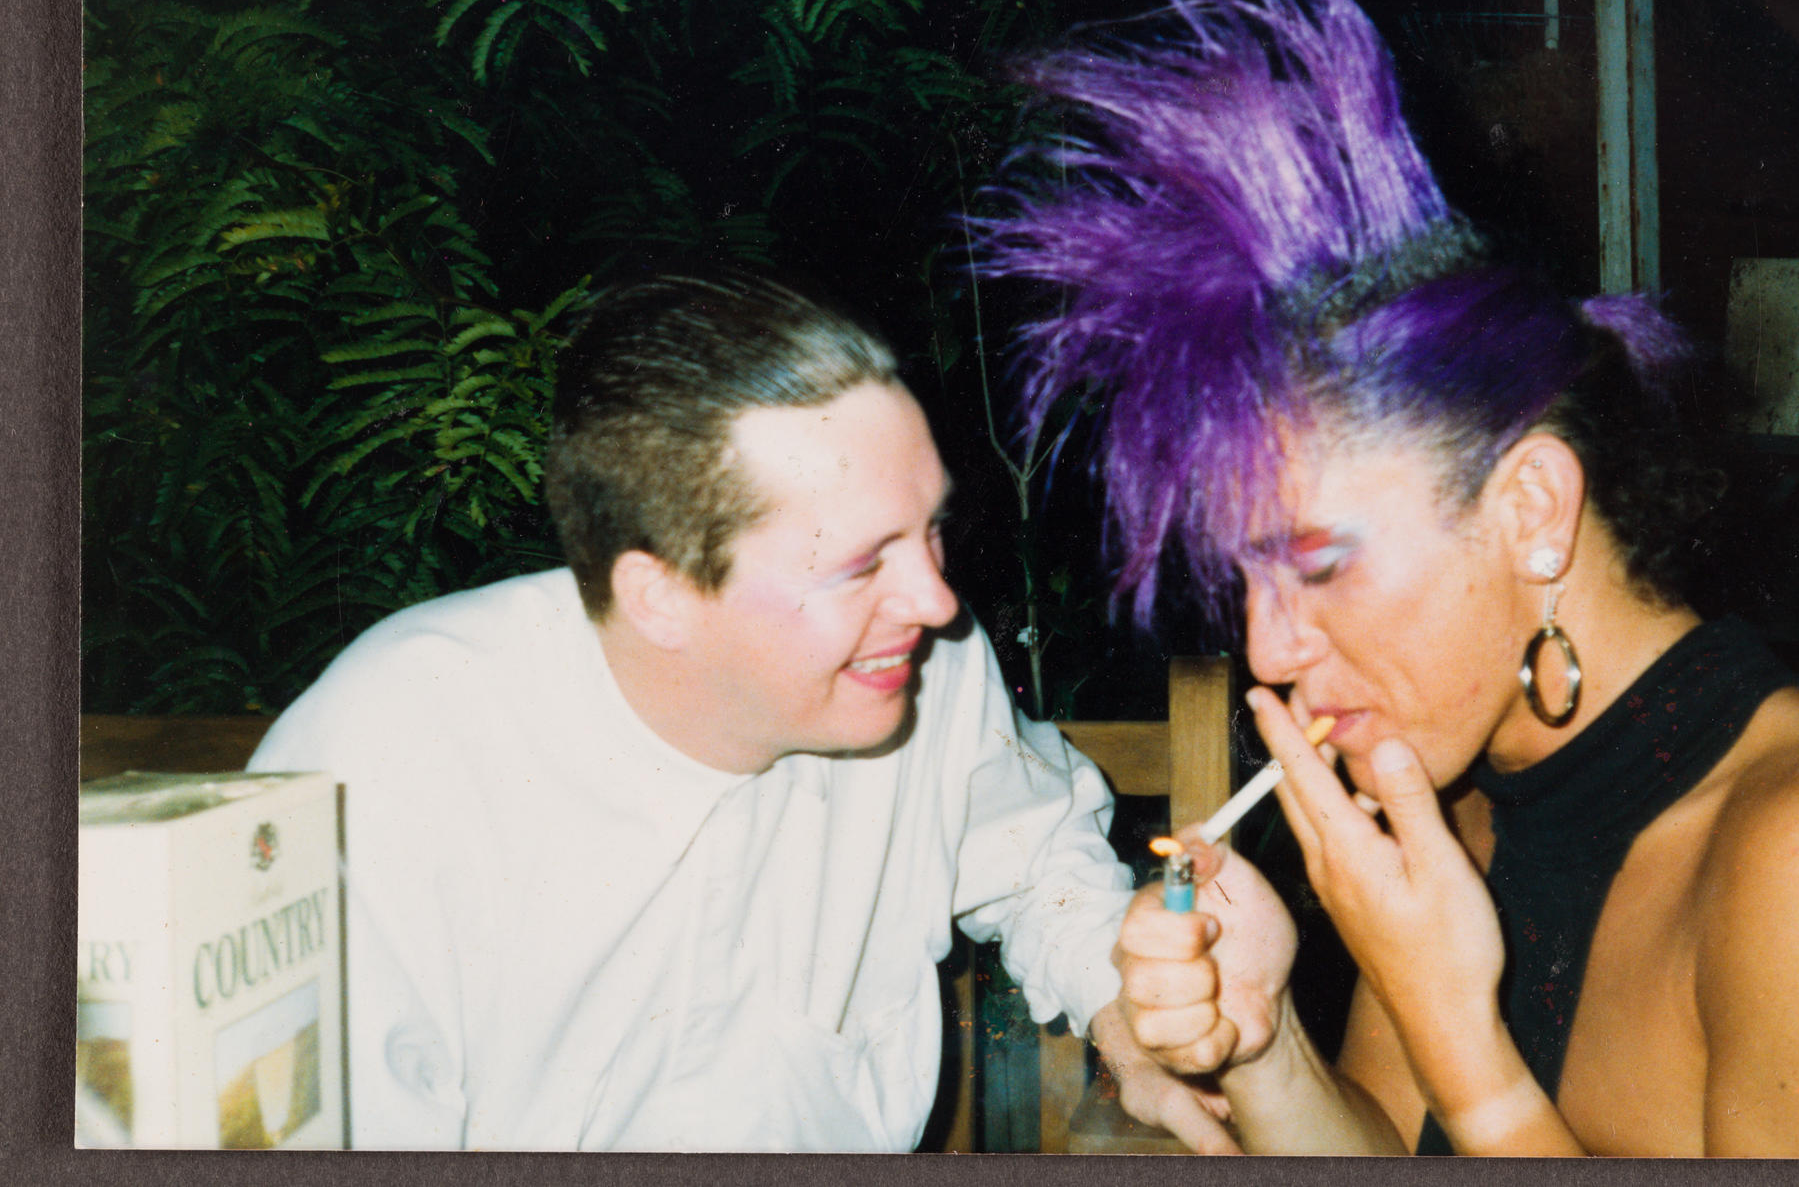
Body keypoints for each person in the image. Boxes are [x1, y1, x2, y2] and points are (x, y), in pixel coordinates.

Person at [970, 0, 1799, 1156]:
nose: (1272, 654)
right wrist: (1260, 1040)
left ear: (1528, 511)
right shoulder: (1465, 788)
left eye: (1318, 564)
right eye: (1242, 583)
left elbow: (1464, 1100)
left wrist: (1465, 1044)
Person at [249, 271, 1193, 1151]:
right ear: (658, 596)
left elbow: (1030, 853)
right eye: (860, 562)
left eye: (931, 529)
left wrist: (1121, 998)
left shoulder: (921, 668)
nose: (939, 603)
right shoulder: (393, 755)